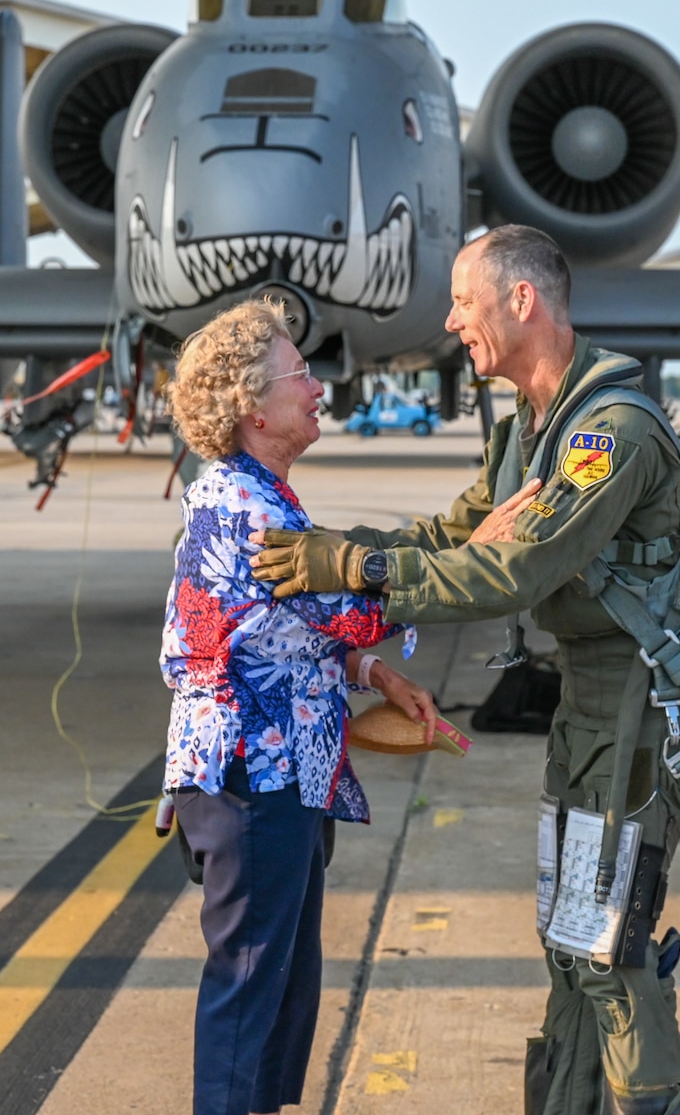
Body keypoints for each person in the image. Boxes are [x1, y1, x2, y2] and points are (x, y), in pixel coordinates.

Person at [249, 225, 680, 1115]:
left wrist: (354, 572)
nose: (450, 320)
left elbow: (514, 568)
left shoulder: (610, 434)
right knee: (571, 933)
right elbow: (457, 534)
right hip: (594, 693)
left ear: (524, 301)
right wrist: (343, 550)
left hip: (647, 697)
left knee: (609, 944)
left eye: (464, 303)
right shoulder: (532, 430)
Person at [159, 298, 438, 1115]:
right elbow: (355, 608)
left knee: (279, 990)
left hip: (272, 779)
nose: (319, 386)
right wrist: (483, 550)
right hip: (257, 784)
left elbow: (279, 632)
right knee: (249, 994)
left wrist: (376, 676)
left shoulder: (254, 494)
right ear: (254, 407)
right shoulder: (248, 510)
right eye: (300, 373)